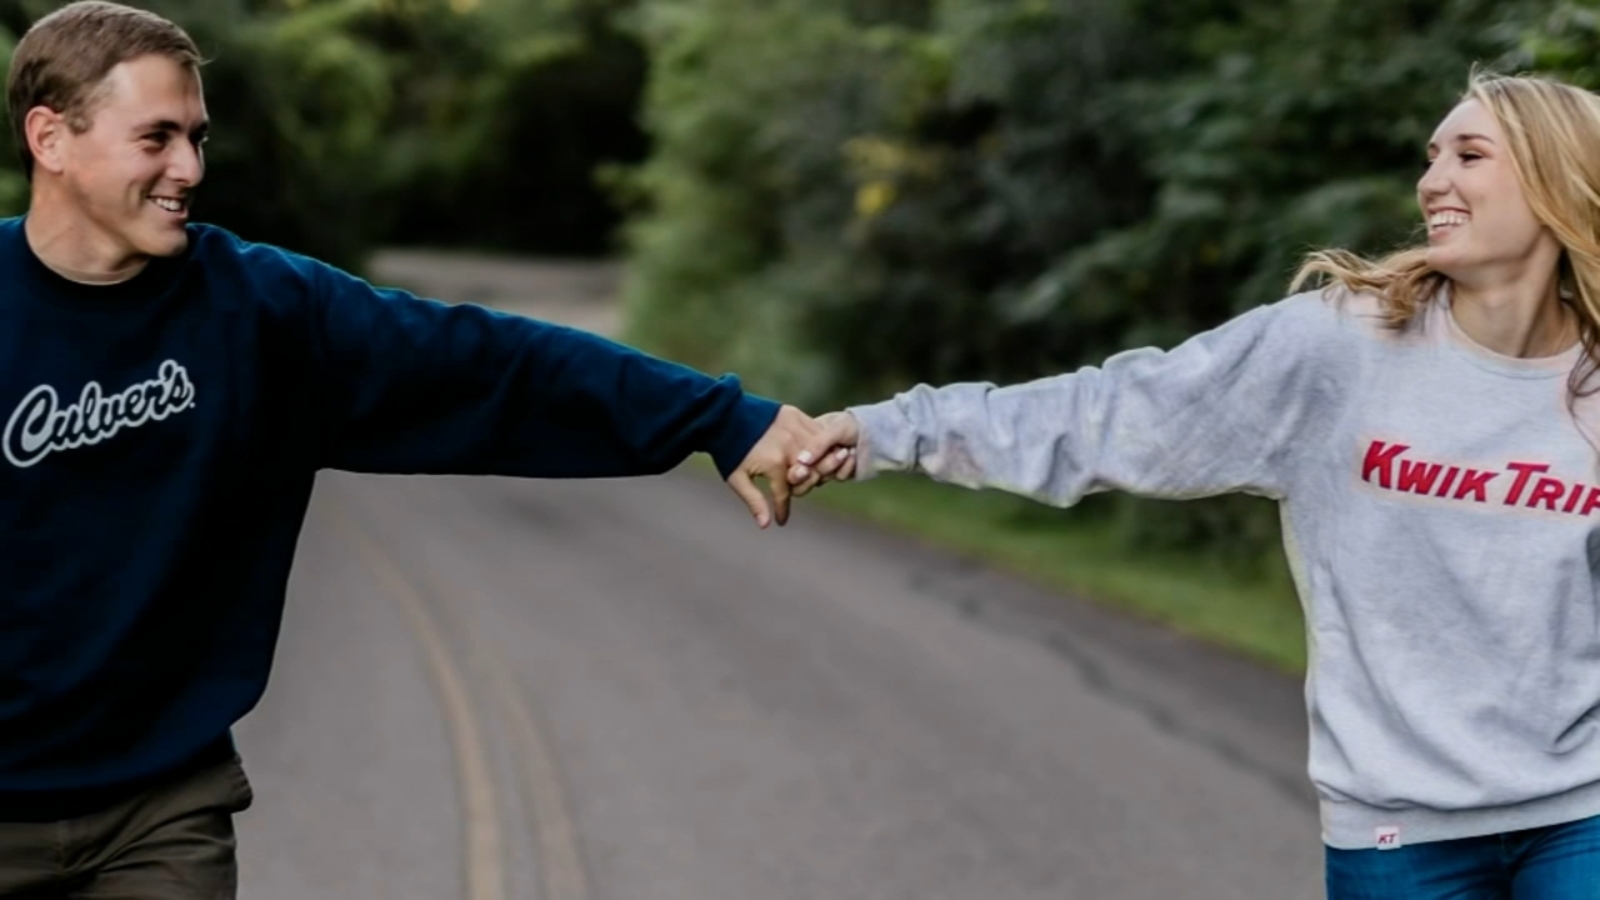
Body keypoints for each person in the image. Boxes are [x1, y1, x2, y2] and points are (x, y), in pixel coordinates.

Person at [0, 1, 825, 896]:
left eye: (197, 138)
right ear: (51, 138)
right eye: (156, 138)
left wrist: (716, 416)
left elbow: (493, 365)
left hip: (157, 814)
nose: (190, 169)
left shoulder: (264, 313)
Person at [790, 69, 1600, 898]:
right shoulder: (1339, 348)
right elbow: (1112, 415)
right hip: (1402, 824)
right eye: (1431, 157)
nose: (1432, 182)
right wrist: (892, 430)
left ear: (1557, 179)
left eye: (1470, 155)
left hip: (1584, 810)